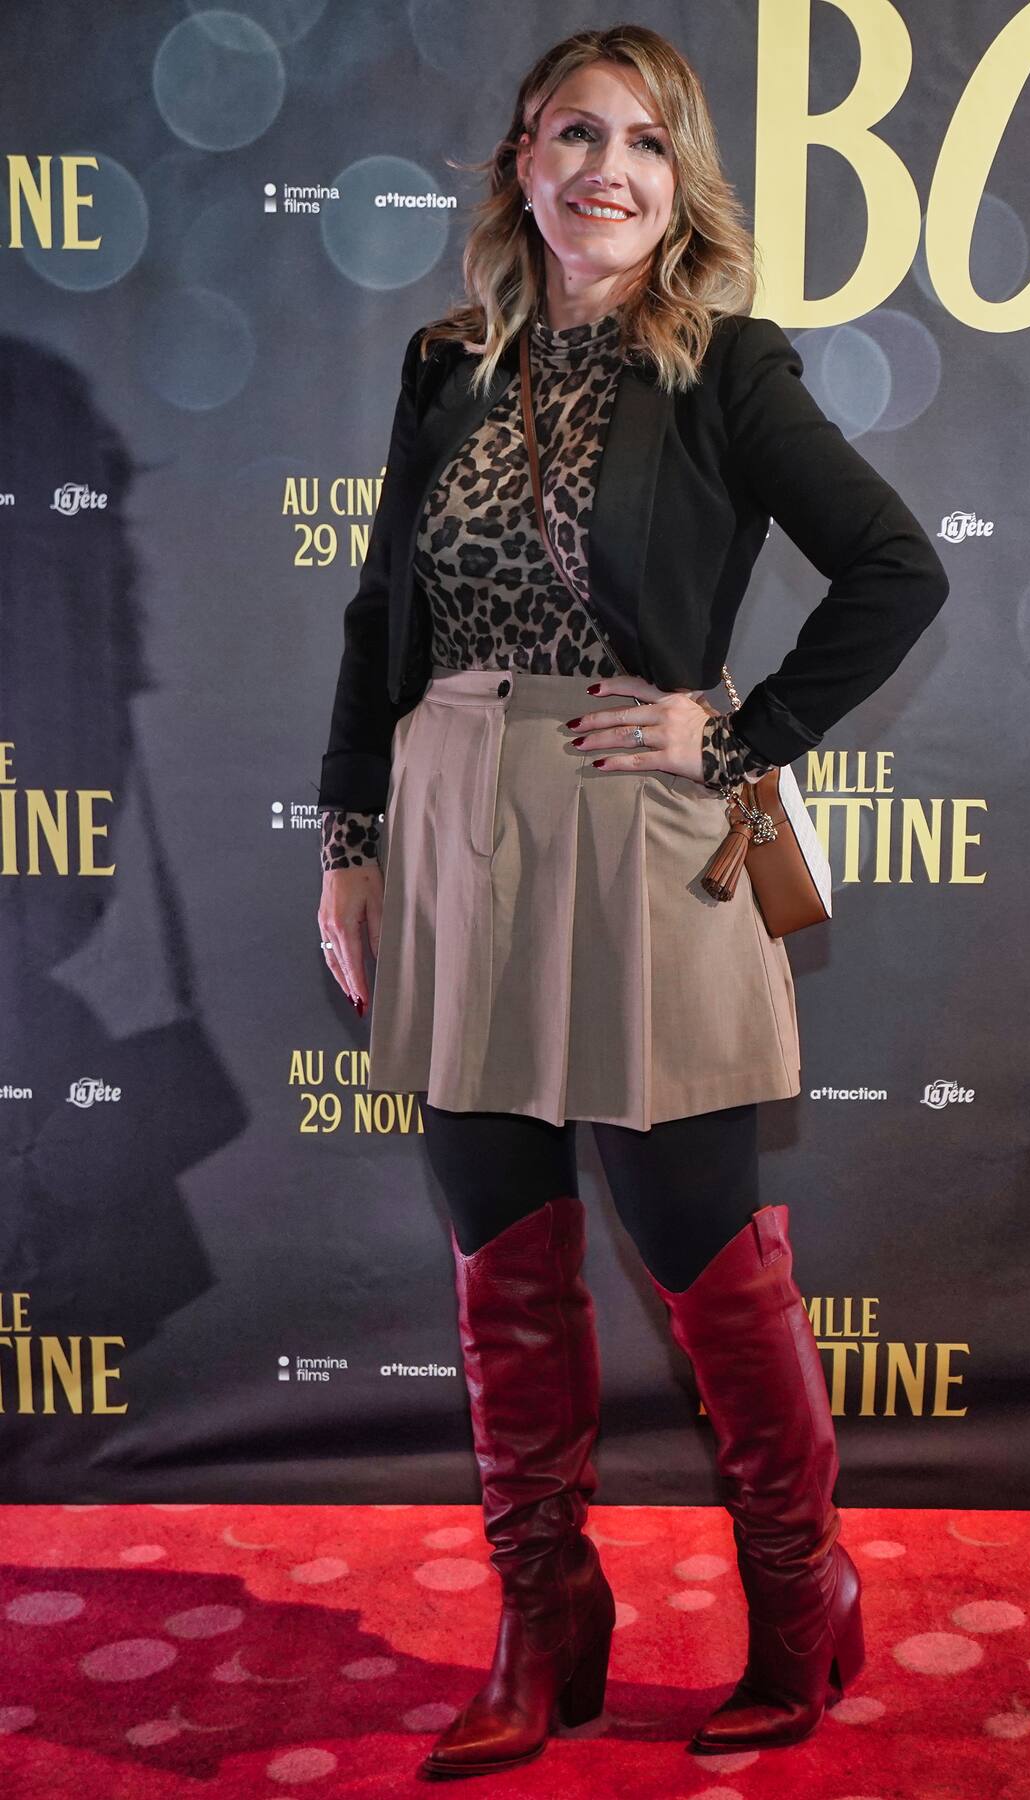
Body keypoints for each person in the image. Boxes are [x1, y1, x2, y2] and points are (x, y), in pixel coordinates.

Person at [316, 23, 949, 1782]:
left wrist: (737, 728)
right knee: (503, 1253)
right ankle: (547, 1623)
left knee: (704, 1260)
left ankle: (795, 1588)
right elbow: (382, 618)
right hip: (452, 818)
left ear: (680, 192)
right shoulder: (445, 365)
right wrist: (348, 834)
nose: (608, 165)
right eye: (575, 132)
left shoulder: (727, 367)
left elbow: (903, 571)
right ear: (520, 162)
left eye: (647, 144)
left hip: (637, 826)